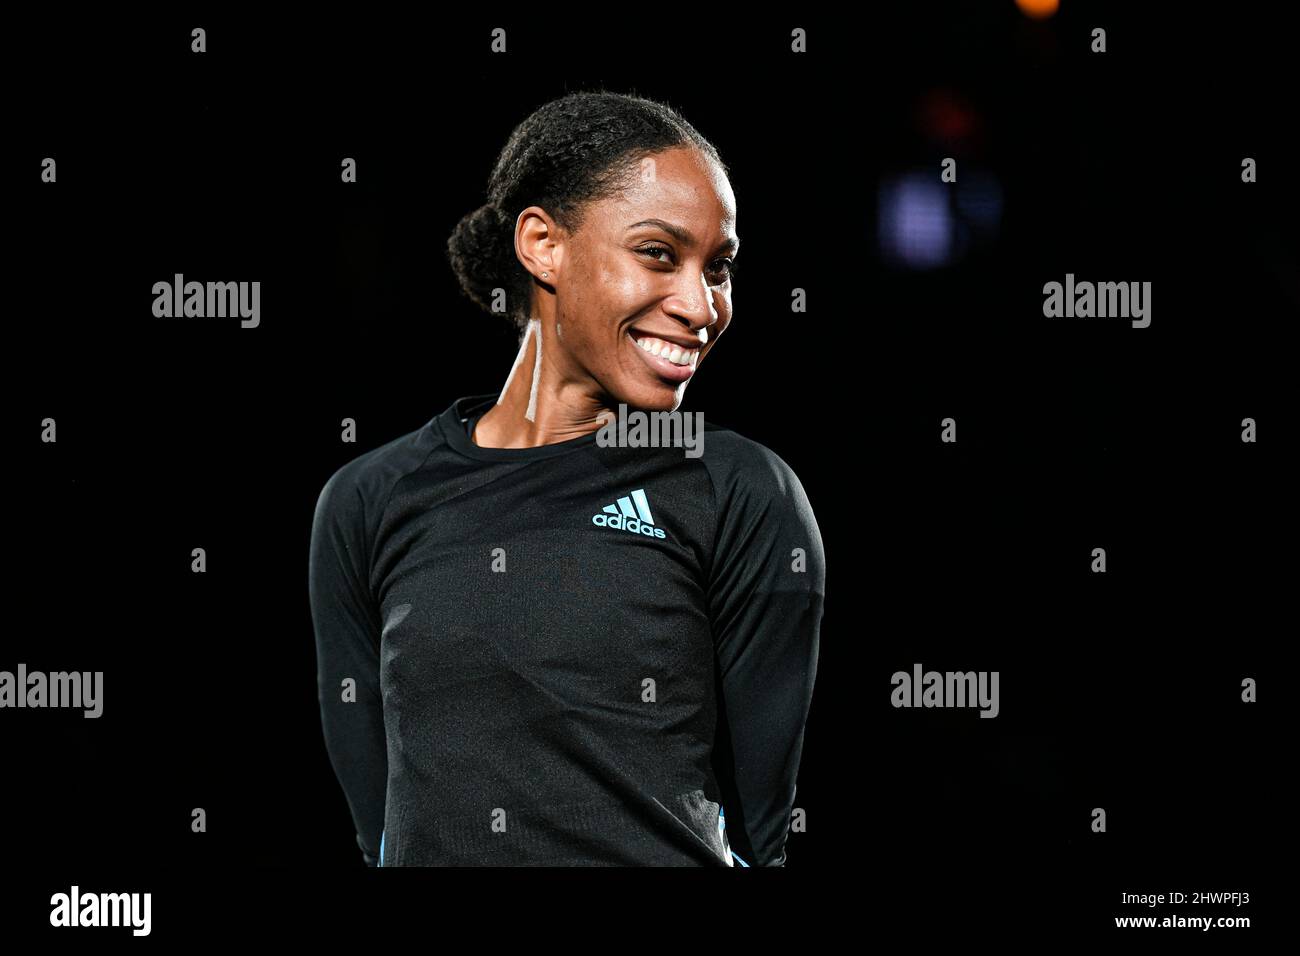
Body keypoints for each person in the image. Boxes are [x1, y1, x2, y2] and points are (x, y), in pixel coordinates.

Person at [309, 90, 824, 866]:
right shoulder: (369, 500)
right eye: (659, 253)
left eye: (718, 268)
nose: (701, 306)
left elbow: (762, 836)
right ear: (543, 244)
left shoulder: (738, 490)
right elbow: (383, 827)